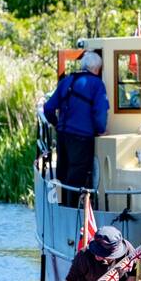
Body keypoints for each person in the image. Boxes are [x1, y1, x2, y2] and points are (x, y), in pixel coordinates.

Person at [42, 50, 109, 207]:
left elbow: (48, 108)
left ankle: (59, 205)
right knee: (77, 175)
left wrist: (57, 124)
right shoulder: (97, 84)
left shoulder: (67, 81)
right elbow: (100, 112)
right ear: (97, 69)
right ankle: (73, 209)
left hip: (63, 135)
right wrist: (100, 130)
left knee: (62, 171)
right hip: (82, 138)